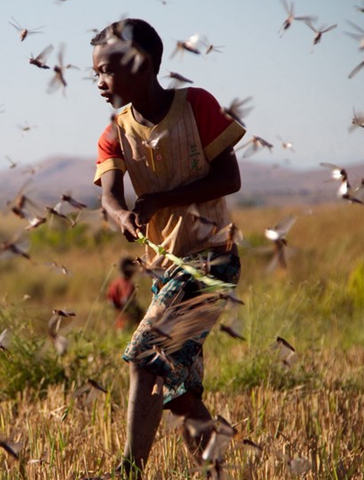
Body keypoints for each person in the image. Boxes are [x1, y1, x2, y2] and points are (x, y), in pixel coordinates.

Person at [91, 18, 245, 478]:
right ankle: (217, 471)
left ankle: (127, 471)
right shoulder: (114, 131)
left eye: (108, 70)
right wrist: (122, 216)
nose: (100, 82)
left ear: (144, 64)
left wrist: (160, 200)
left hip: (211, 259)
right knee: (179, 392)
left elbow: (230, 178)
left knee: (144, 357)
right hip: (167, 268)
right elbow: (109, 195)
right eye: (95, 73)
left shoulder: (196, 105)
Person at [107, 257, 143, 331]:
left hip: (119, 321)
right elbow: (126, 300)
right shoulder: (127, 284)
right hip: (128, 322)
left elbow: (110, 300)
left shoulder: (115, 283)